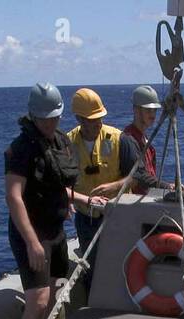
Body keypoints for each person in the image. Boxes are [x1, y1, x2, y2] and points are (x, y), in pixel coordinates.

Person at [4, 83, 106, 319]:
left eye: (55, 117)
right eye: (46, 118)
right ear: (33, 117)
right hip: (33, 234)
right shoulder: (20, 150)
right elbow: (13, 197)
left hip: (56, 231)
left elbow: (58, 186)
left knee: (54, 298)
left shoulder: (59, 142)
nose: (51, 123)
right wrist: (32, 243)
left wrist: (85, 199)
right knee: (37, 302)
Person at [66, 87, 144, 289]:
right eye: (92, 119)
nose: (98, 123)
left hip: (118, 216)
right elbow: (60, 183)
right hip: (87, 219)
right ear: (80, 120)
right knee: (91, 266)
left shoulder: (120, 139)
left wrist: (114, 186)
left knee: (125, 263)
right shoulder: (66, 144)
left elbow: (137, 176)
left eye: (100, 117)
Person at [122, 85, 171, 193]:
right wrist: (165, 186)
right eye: (148, 110)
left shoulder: (144, 138)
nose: (153, 115)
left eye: (154, 110)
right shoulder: (129, 138)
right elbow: (139, 175)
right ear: (136, 110)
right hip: (135, 204)